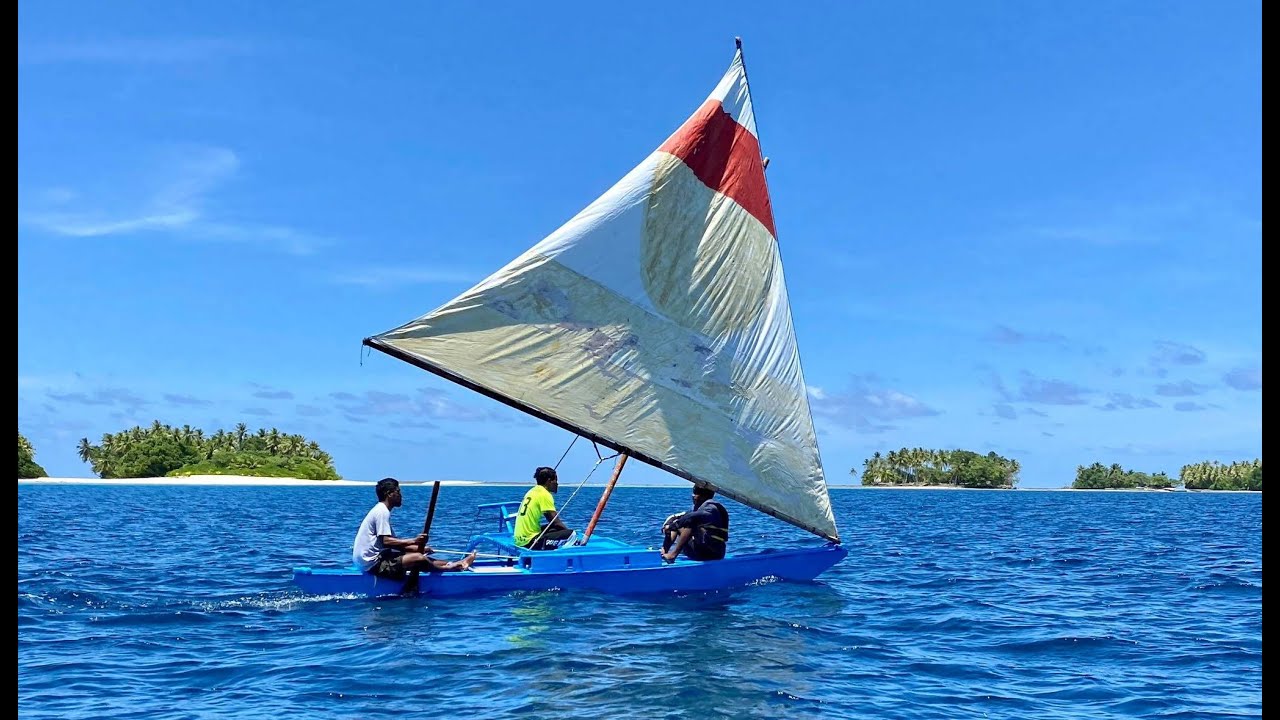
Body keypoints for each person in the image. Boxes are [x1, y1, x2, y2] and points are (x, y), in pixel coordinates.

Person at [352, 477, 476, 578]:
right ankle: (452, 568)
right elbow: (386, 542)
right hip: (372, 564)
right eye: (398, 492)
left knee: (419, 554)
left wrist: (419, 547)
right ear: (389, 494)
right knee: (418, 558)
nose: (401, 496)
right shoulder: (382, 512)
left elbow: (395, 545)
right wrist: (414, 541)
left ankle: (456, 563)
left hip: (377, 559)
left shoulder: (381, 510)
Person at [514, 466, 577, 550]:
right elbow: (555, 522)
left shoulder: (532, 491)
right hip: (529, 542)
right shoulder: (544, 494)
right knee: (572, 534)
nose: (557, 484)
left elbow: (553, 525)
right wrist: (568, 533)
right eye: (556, 480)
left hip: (519, 540)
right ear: (549, 481)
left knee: (554, 529)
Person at [661, 485, 729, 563]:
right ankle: (664, 552)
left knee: (689, 524)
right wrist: (670, 526)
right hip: (715, 553)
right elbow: (683, 517)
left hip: (708, 554)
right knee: (677, 523)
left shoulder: (711, 508)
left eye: (695, 493)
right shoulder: (705, 507)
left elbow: (691, 518)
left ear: (702, 496)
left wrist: (671, 526)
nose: (693, 496)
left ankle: (672, 555)